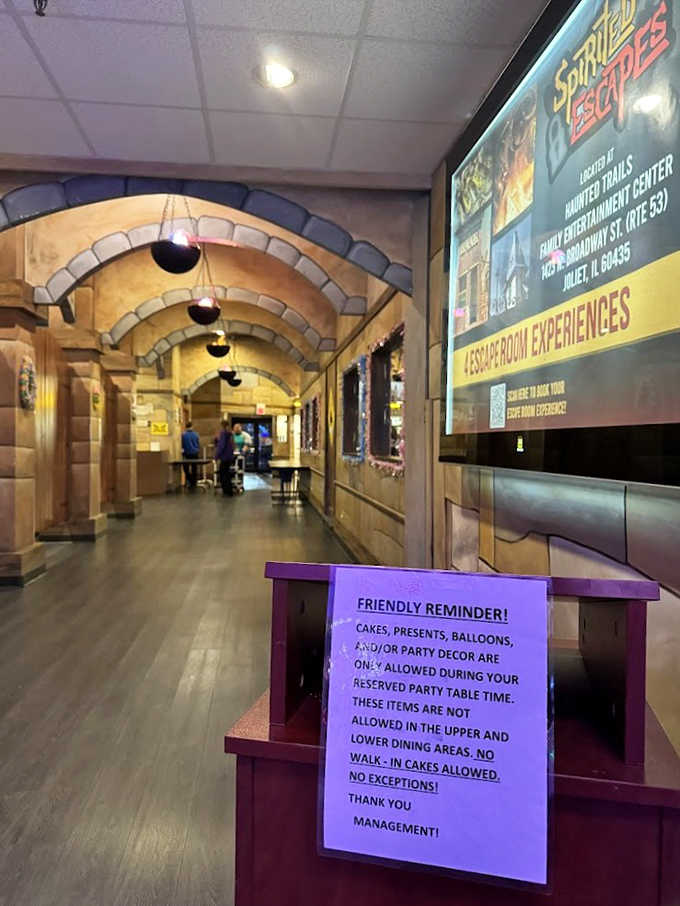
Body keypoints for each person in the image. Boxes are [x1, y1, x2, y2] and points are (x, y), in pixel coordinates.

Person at [215, 419, 235, 496]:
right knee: (227, 473)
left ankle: (226, 490)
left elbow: (221, 446)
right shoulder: (230, 434)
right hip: (229, 456)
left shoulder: (223, 434)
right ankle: (229, 490)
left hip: (224, 457)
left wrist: (216, 456)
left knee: (223, 474)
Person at [181, 420, 200, 490]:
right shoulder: (196, 434)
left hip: (187, 453)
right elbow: (198, 444)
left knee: (185, 468)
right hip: (195, 453)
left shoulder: (183, 435)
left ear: (186, 427)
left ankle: (190, 480)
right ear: (192, 426)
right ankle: (194, 482)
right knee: (194, 468)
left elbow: (182, 445)